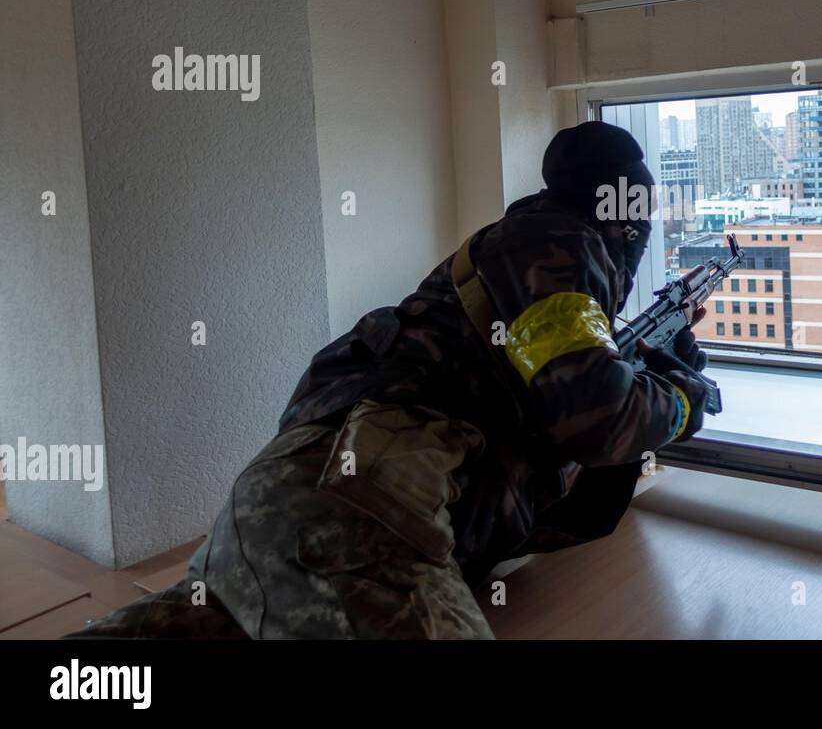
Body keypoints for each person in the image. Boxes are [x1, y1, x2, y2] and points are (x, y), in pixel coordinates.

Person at [70, 122, 713, 639]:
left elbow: (558, 430)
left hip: (284, 503)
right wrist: (681, 402)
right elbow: (595, 418)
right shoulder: (560, 247)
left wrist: (643, 368)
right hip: (352, 519)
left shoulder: (520, 248)